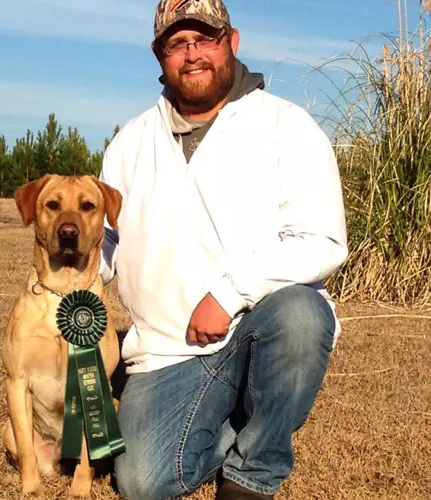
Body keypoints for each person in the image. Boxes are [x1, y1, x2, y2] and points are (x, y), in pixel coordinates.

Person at [99, 0, 348, 498]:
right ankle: (242, 417)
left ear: (231, 42)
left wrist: (230, 292)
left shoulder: (287, 126)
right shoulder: (129, 143)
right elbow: (107, 243)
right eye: (176, 43)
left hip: (255, 324)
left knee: (301, 314)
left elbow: (323, 240)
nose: (192, 54)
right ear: (159, 56)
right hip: (166, 351)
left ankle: (253, 471)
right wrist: (68, 285)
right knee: (141, 483)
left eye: (204, 39)